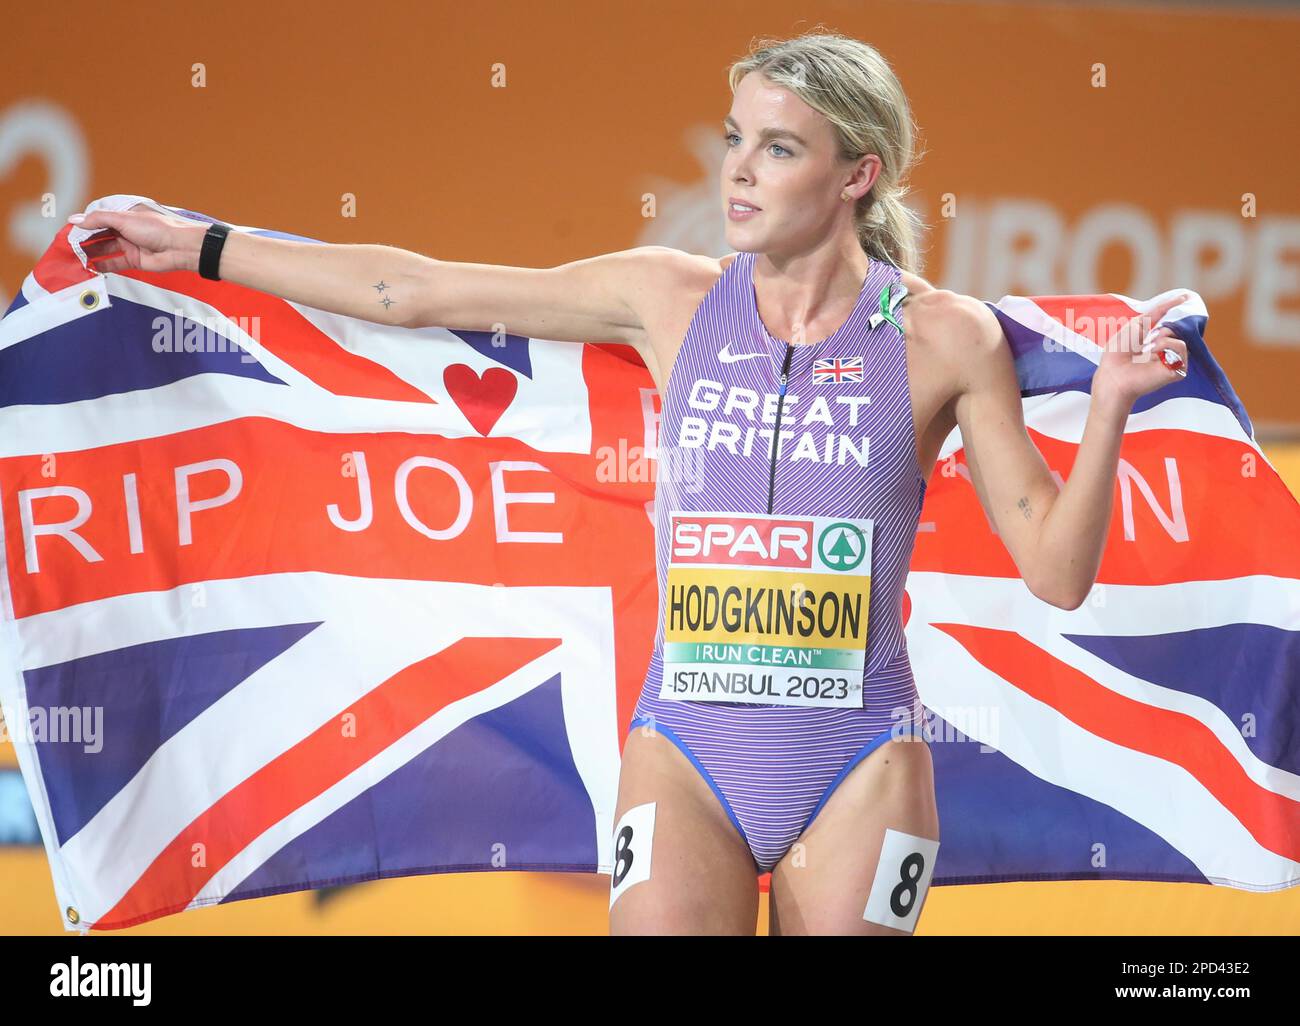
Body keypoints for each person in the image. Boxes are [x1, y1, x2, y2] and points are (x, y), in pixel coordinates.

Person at [68, 30, 1188, 937]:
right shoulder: (668, 297)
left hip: (861, 763)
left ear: (858, 174)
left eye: (777, 148)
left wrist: (1105, 410)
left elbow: (1054, 572)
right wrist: (199, 245)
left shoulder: (948, 337)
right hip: (684, 749)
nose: (738, 171)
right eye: (734, 139)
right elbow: (412, 290)